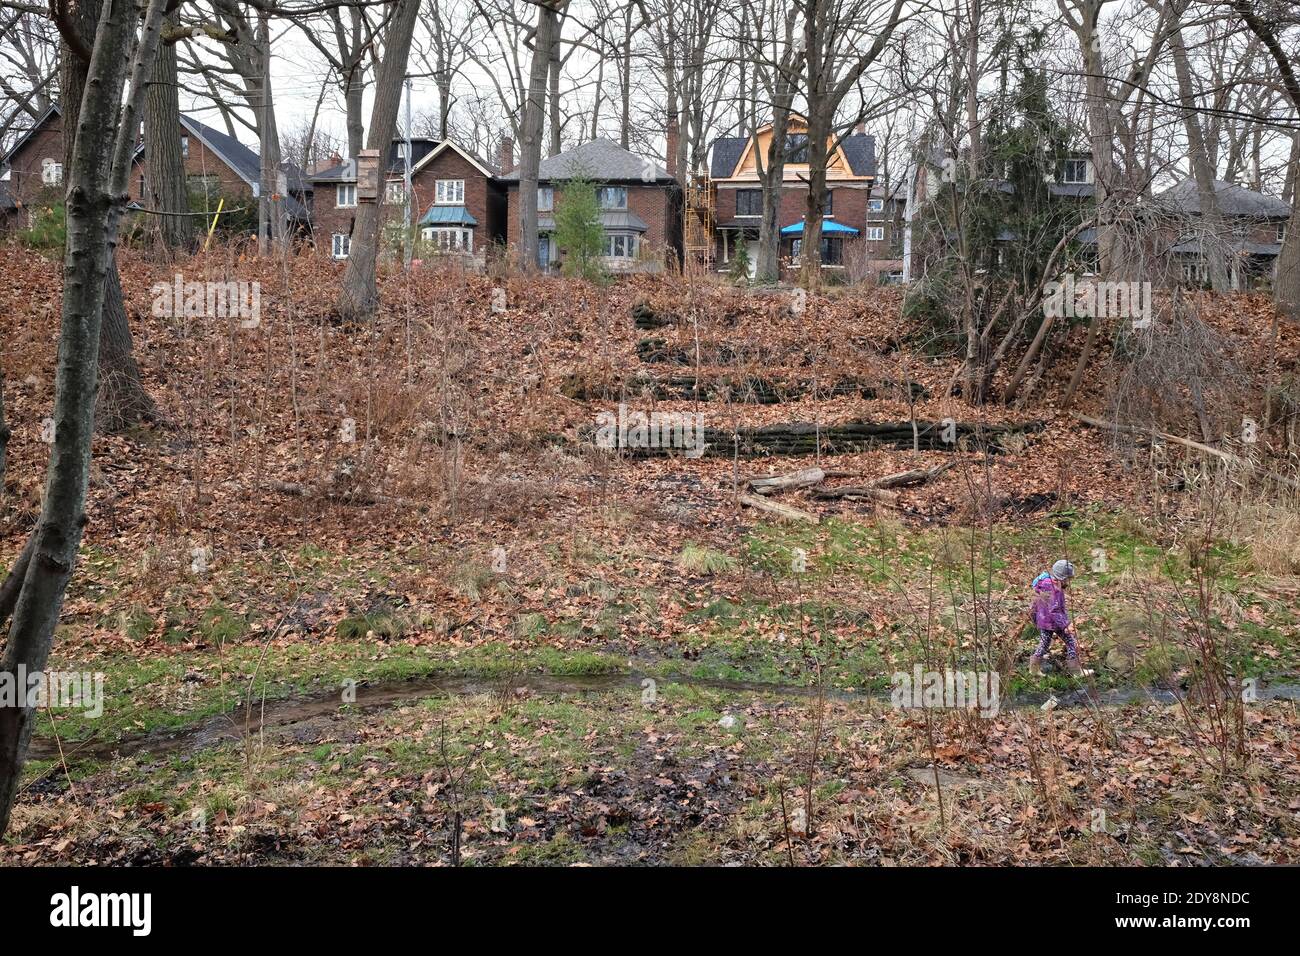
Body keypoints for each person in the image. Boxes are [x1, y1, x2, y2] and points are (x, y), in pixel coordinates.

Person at [1029, 559, 1087, 676]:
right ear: (1062, 577)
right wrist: (1065, 624)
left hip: (1044, 620)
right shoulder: (1053, 587)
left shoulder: (1044, 581)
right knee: (1071, 642)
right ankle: (1076, 671)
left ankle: (1034, 670)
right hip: (1054, 621)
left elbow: (1037, 605)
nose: (1068, 582)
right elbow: (1054, 609)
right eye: (1068, 579)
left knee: (1044, 643)